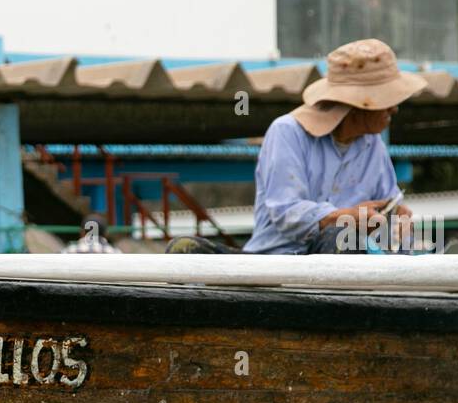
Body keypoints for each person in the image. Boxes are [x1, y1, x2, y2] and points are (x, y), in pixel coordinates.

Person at [168, 38, 424, 255]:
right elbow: (287, 212)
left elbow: (389, 204)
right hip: (277, 260)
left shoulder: (373, 145)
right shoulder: (287, 132)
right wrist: (347, 217)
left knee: (357, 240)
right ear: (358, 105)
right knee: (184, 249)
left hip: (347, 262)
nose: (394, 108)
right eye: (387, 99)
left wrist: (396, 219)